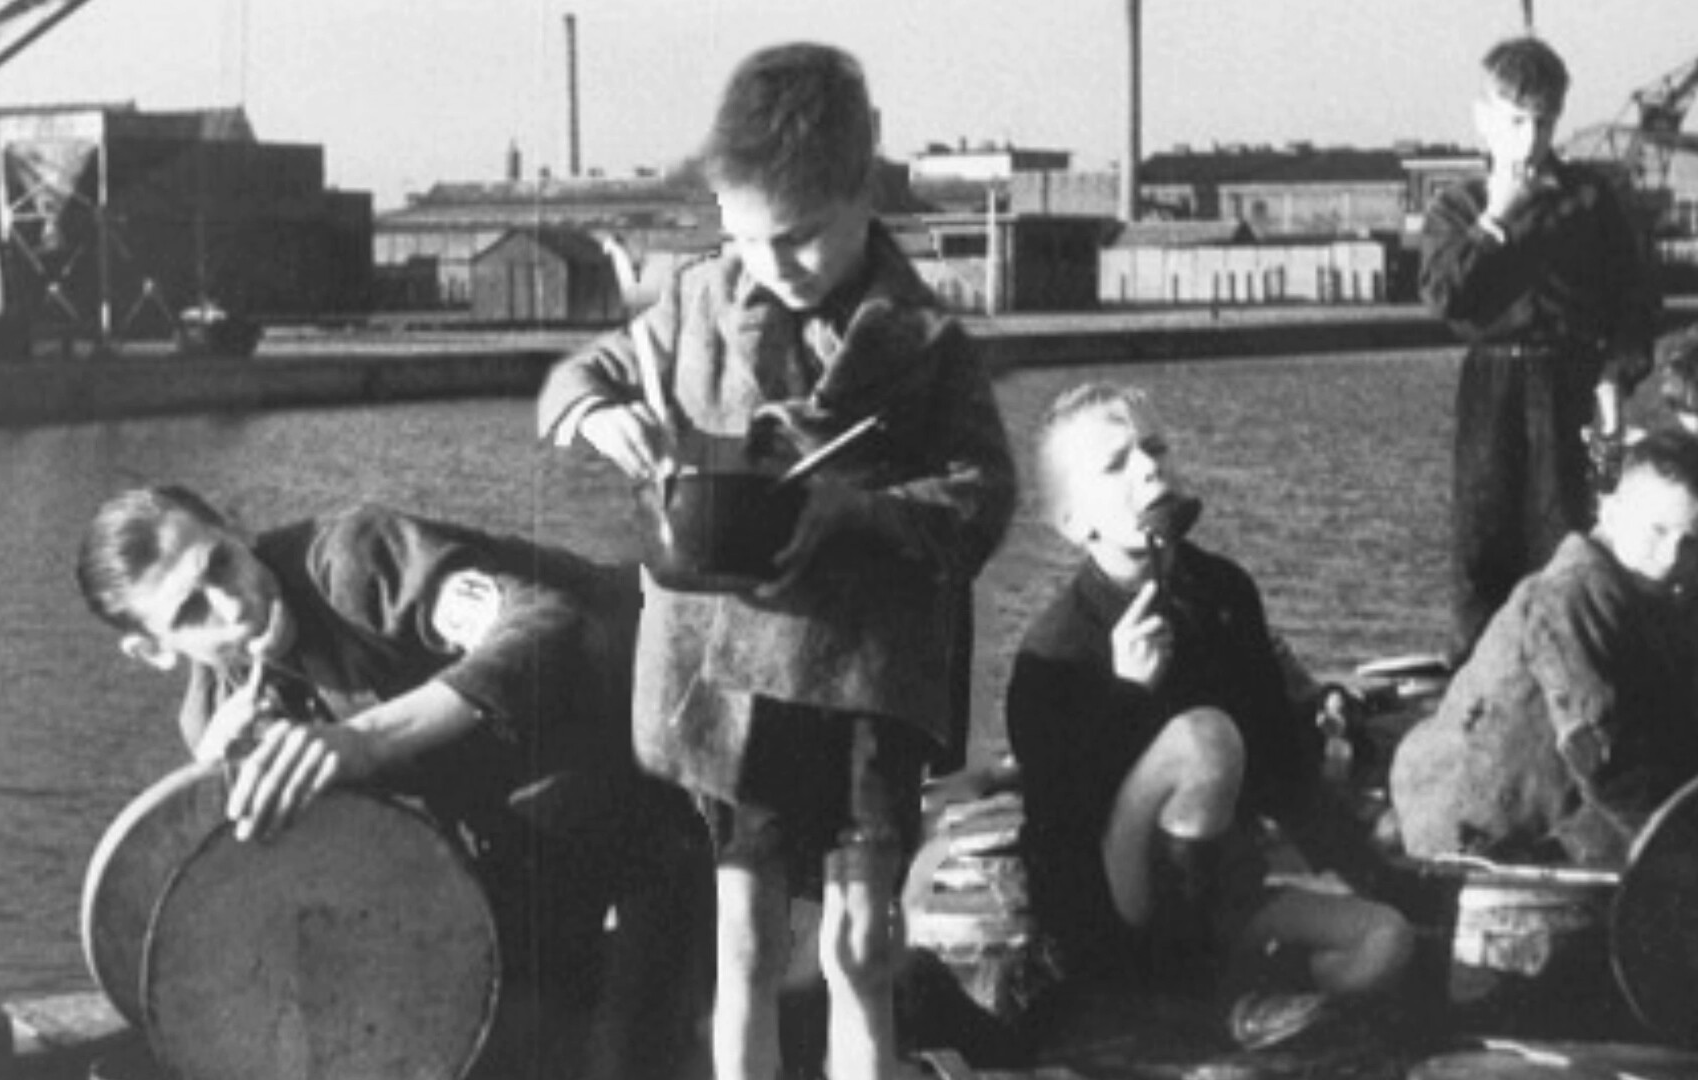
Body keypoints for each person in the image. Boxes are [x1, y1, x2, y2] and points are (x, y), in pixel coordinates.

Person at [537, 42, 1016, 1080]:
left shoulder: (929, 343)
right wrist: (597, 414)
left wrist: (858, 512)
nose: (769, 263)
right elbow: (579, 375)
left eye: (796, 239)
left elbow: (985, 495)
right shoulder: (694, 302)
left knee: (859, 950)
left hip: (864, 682)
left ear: (862, 192)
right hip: (730, 684)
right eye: (744, 238)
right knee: (745, 947)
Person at [74, 485, 709, 1080]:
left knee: (621, 1048)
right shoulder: (216, 724)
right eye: (192, 610)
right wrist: (215, 795)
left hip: (666, 734)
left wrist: (363, 740)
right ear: (153, 651)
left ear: (237, 529)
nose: (232, 603)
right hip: (523, 830)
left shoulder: (355, 562)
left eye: (220, 563)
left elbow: (547, 623)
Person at [1005, 384, 1414, 1051]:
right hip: (1112, 910)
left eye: (1156, 447)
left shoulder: (1223, 592)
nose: (1149, 468)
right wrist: (1126, 695)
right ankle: (1183, 1001)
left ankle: (1249, 999)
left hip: (1221, 896)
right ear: (1075, 523)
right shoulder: (1057, 649)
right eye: (1116, 464)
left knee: (1385, 938)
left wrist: (1375, 873)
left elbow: (1283, 770)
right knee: (1206, 741)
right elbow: (1061, 833)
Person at [1420, 35, 1658, 661]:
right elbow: (1445, 297)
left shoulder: (1591, 202)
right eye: (1515, 122)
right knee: (1482, 543)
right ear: (1484, 119)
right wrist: (1495, 221)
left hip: (1572, 384)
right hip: (1491, 386)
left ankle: (1573, 680)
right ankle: (1476, 681)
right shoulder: (1458, 207)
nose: (1529, 140)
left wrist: (1615, 379)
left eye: (1544, 123)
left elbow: (1635, 304)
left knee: (1566, 539)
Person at [1390, 430, 1698, 868]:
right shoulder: (1576, 592)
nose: (1671, 556)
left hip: (1543, 809)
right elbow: (1601, 755)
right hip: (1475, 833)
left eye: (1691, 542)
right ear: (1610, 513)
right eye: (1658, 531)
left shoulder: (1652, 590)